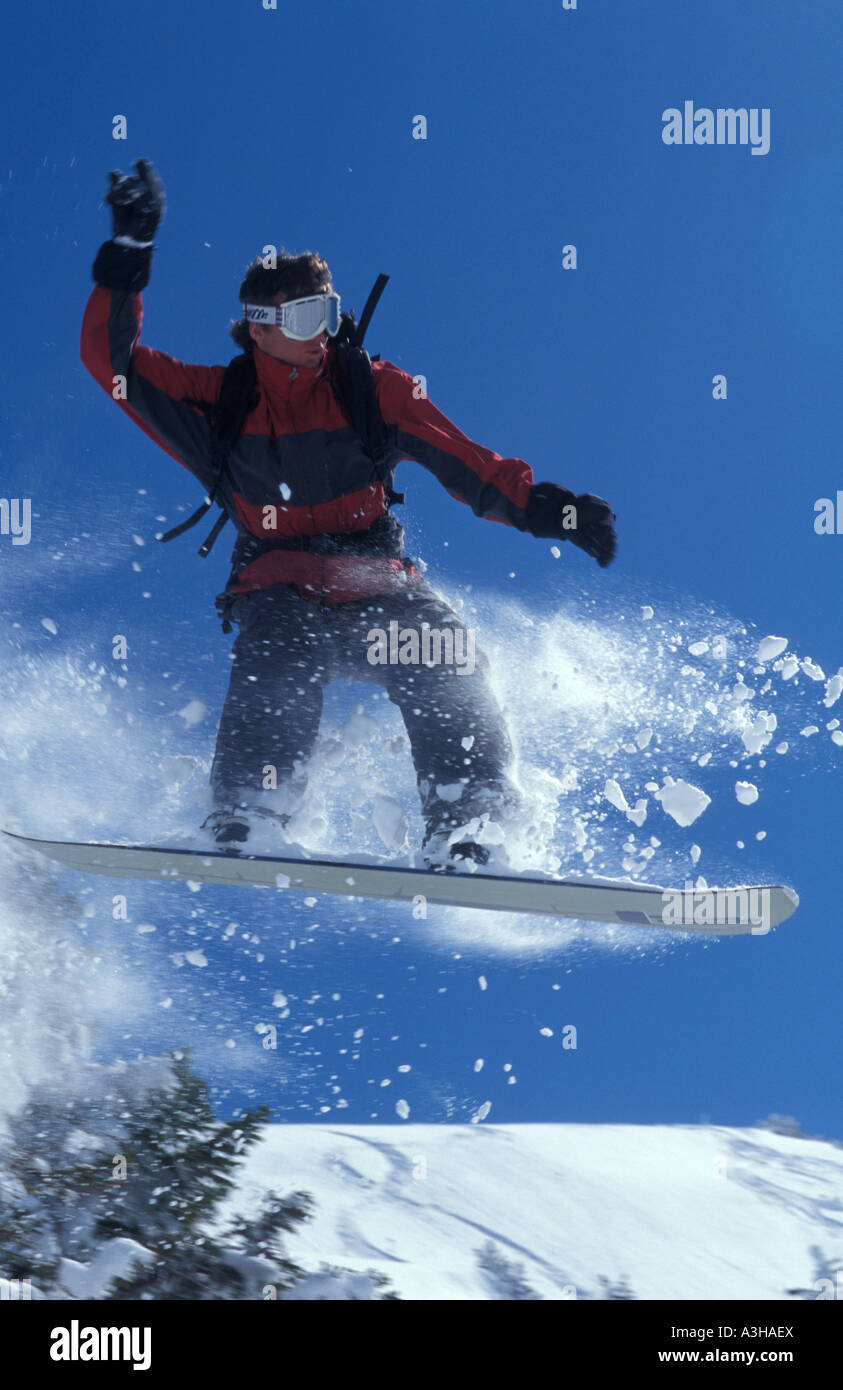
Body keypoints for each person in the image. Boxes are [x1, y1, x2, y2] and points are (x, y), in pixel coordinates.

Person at [81, 160, 617, 870]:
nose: (320, 333)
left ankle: (469, 821)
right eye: (304, 318)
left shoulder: (371, 390)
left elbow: (466, 462)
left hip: (375, 586)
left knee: (441, 651)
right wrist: (129, 254)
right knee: (279, 656)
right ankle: (249, 812)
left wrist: (550, 509)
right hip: (280, 588)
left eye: (327, 314)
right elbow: (109, 362)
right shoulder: (216, 404)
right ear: (258, 327)